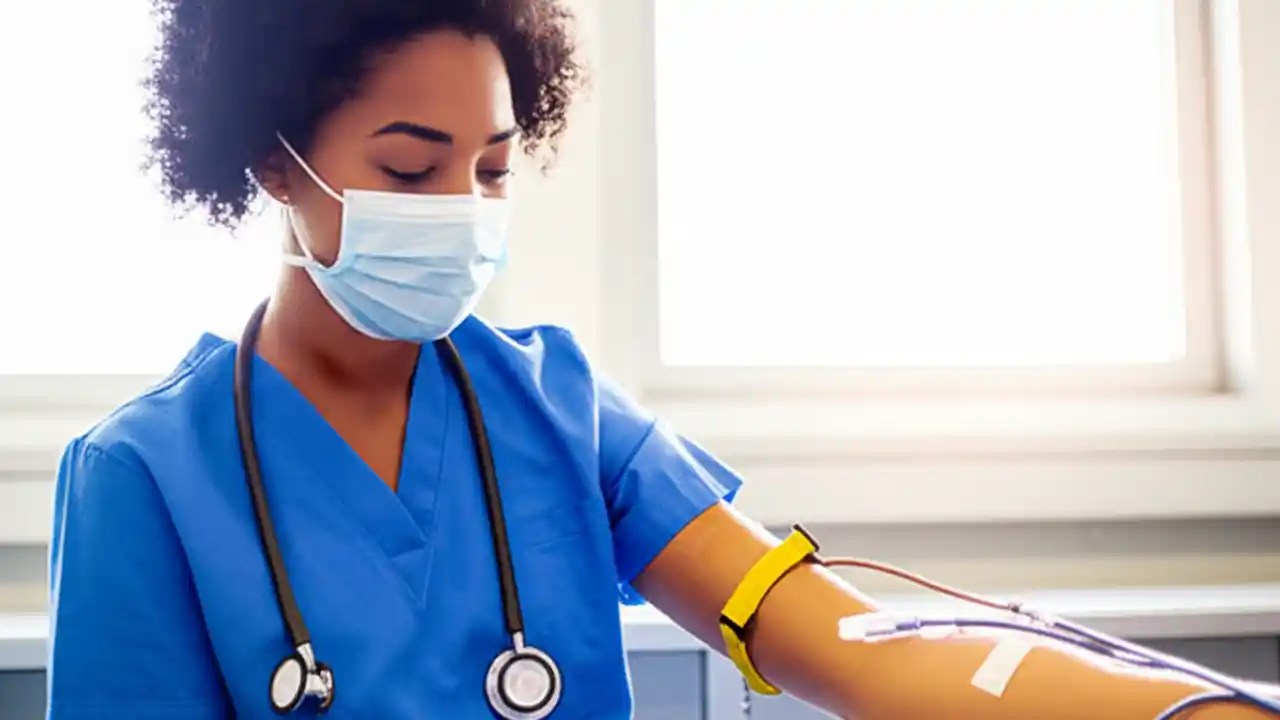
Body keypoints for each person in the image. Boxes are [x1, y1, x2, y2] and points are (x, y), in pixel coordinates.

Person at [45, 1, 1280, 718]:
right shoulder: (145, 476)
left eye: (490, 170)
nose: (465, 213)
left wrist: (1188, 711)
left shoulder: (555, 408)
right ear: (270, 163)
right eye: (413, 170)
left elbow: (836, 638)